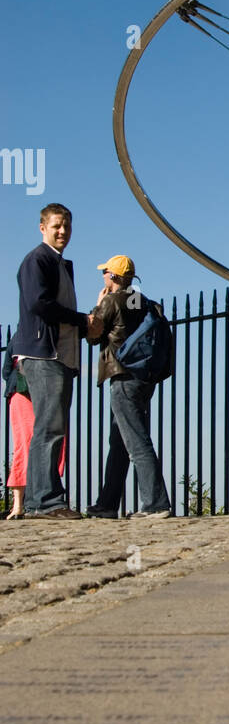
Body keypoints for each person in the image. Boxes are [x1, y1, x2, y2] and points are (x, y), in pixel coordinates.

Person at [11, 203, 91, 518]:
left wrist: (84, 325)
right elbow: (39, 304)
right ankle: (46, 501)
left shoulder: (57, 263)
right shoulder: (38, 259)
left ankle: (39, 500)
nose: (63, 231)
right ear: (42, 227)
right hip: (44, 353)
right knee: (50, 426)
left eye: (67, 226)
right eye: (57, 225)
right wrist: (82, 320)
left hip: (57, 353)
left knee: (51, 425)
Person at [85, 255, 172, 518]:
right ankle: (107, 504)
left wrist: (98, 304)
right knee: (120, 443)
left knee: (135, 441)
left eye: (105, 272)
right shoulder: (143, 302)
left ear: (113, 276)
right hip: (144, 377)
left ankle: (156, 503)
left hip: (123, 377)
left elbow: (92, 335)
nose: (103, 276)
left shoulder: (112, 301)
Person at [3, 340, 67, 519]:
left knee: (51, 443)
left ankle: (37, 498)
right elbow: (7, 371)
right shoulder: (20, 338)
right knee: (25, 445)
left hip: (45, 391)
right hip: (23, 392)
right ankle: (18, 504)